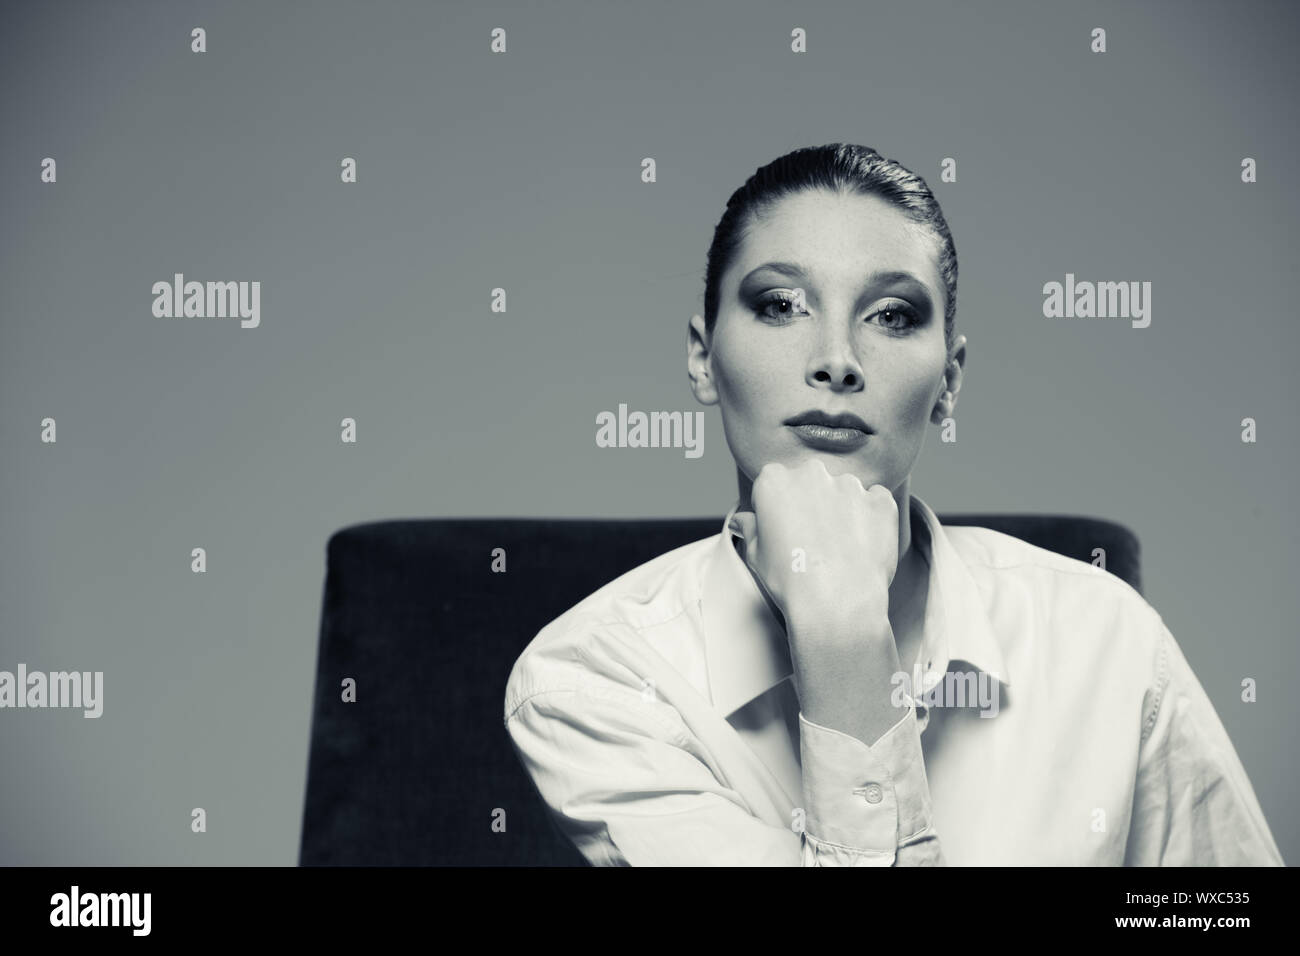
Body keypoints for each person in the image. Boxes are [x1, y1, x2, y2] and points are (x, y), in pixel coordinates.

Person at [502, 143, 1284, 866]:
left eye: (892, 316)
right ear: (704, 359)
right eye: (780, 304)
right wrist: (842, 639)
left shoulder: (1106, 641)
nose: (837, 361)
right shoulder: (590, 683)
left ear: (948, 382)